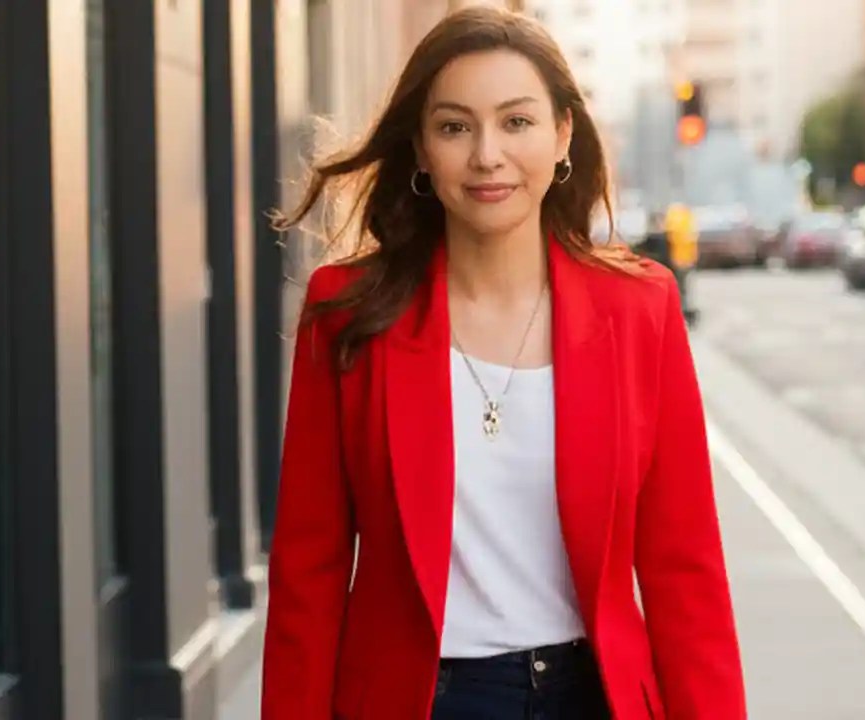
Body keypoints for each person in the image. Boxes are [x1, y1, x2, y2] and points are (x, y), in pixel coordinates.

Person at [261, 7, 745, 719]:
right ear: (422, 149)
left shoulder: (639, 309)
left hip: (593, 697)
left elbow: (685, 574)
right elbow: (310, 572)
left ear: (562, 136)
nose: (487, 154)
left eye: (516, 122)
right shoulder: (349, 312)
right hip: (416, 701)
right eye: (455, 126)